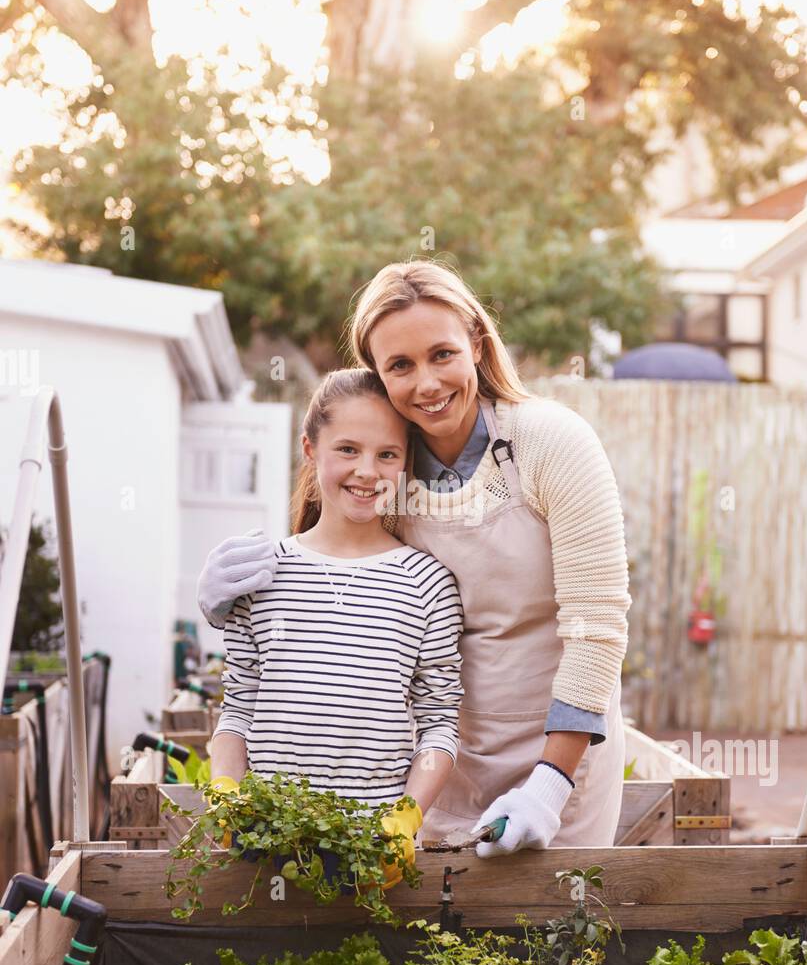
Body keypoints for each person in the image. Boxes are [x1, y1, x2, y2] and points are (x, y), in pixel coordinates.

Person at [199, 260, 630, 856]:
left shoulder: (553, 442)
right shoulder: (387, 471)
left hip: (563, 748)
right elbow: (343, 582)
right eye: (399, 365)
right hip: (444, 755)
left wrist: (549, 788)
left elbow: (597, 626)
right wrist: (232, 600)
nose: (426, 383)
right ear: (375, 374)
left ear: (477, 345)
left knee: (552, 936)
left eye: (442, 354)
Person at [208, 367, 464, 884]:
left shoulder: (427, 583)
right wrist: (226, 791)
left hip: (370, 851)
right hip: (265, 846)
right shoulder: (262, 572)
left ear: (405, 464)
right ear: (310, 449)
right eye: (347, 449)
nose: (367, 471)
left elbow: (439, 722)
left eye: (387, 455)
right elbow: (238, 707)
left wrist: (408, 816)